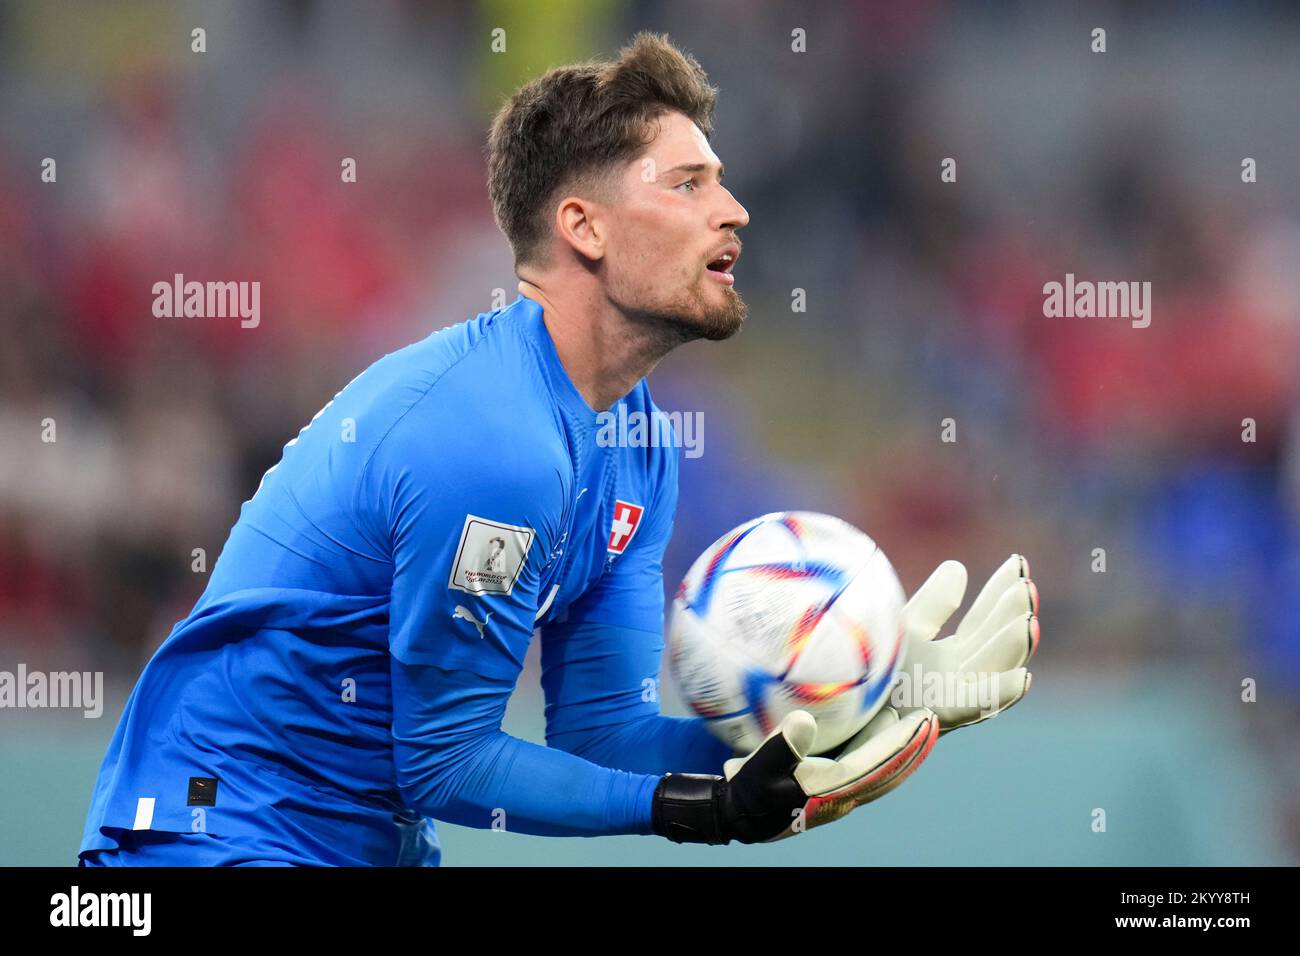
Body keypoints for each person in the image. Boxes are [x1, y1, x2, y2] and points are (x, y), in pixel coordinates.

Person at [80, 32, 1037, 867]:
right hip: (213, 834)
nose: (734, 209)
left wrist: (858, 703)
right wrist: (697, 812)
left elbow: (602, 732)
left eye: (724, 179)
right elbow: (447, 761)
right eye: (689, 182)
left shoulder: (640, 444)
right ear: (583, 227)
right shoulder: (494, 442)